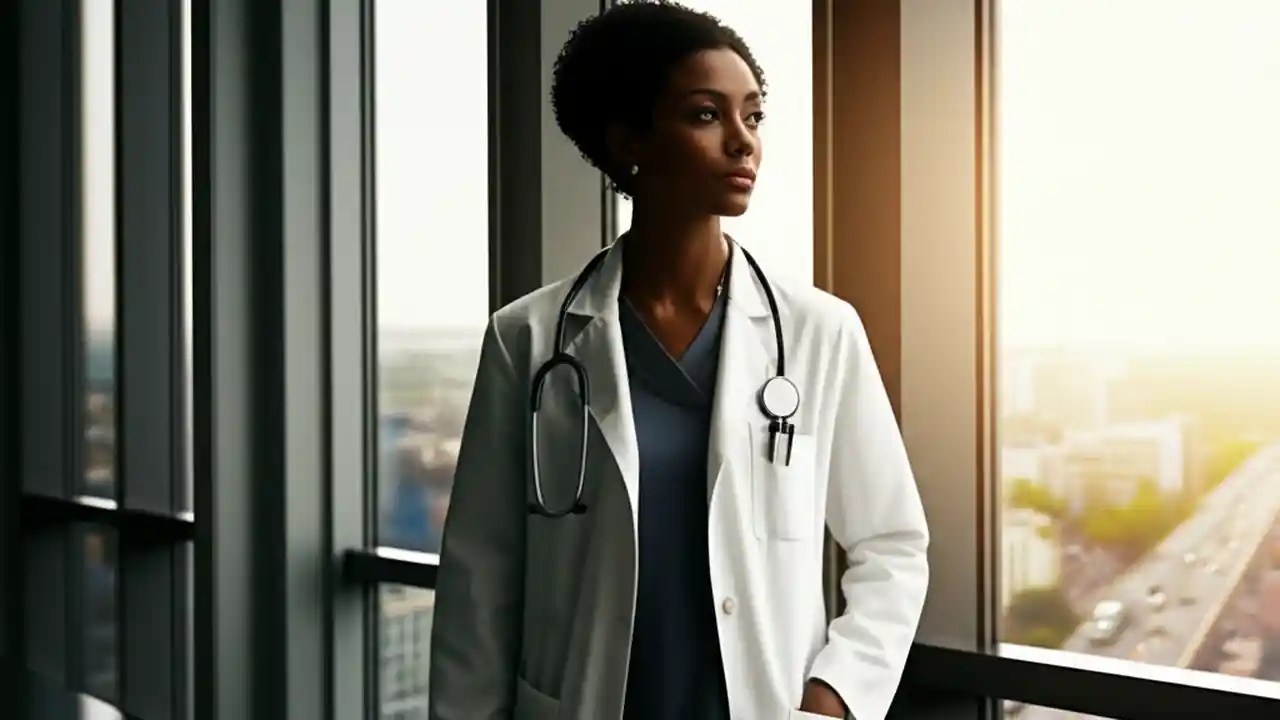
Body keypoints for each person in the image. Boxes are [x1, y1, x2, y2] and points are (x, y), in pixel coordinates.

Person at [428, 3, 929, 719]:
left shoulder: (819, 332)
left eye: (753, 116)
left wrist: (834, 696)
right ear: (628, 140)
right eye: (706, 115)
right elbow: (481, 576)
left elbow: (891, 545)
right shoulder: (528, 339)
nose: (742, 142)